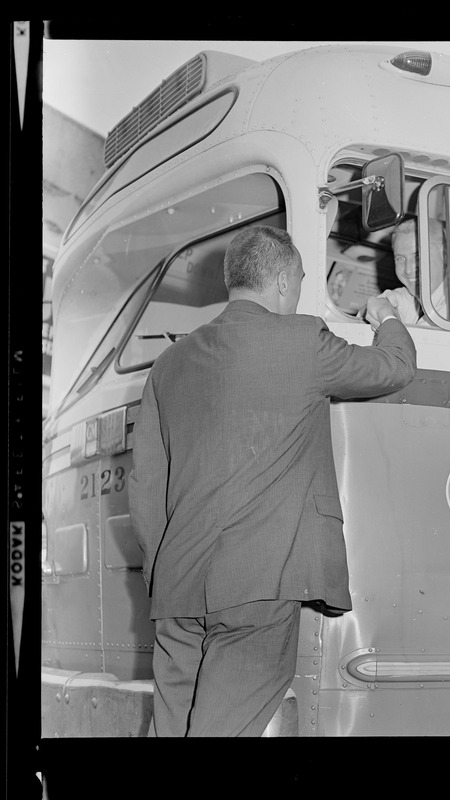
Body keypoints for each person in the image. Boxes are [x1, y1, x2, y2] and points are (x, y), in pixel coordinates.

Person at [128, 224, 416, 737]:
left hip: (175, 590)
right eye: (303, 279)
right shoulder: (301, 340)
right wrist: (387, 316)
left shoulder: (168, 365)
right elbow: (394, 368)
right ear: (283, 282)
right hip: (257, 588)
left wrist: (163, 575)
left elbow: (147, 487)